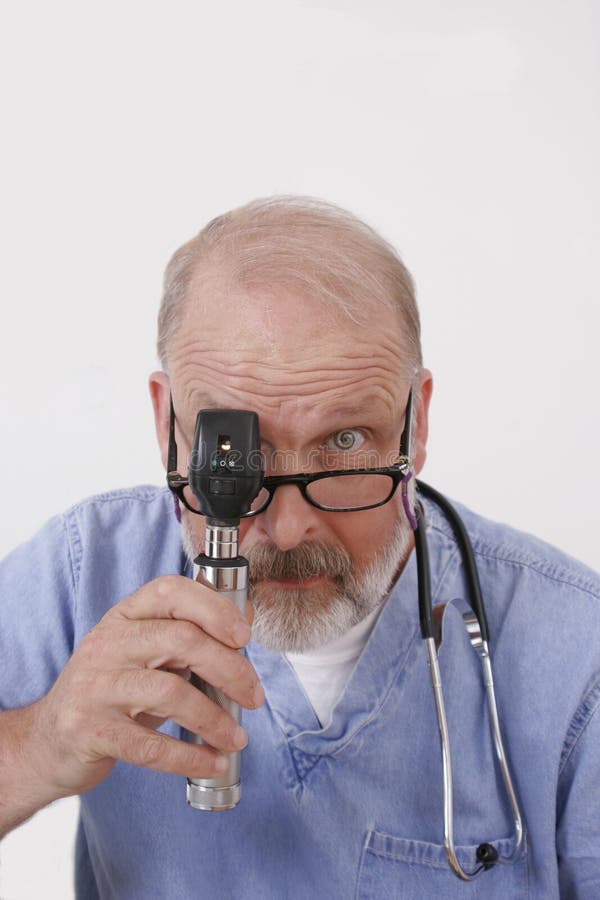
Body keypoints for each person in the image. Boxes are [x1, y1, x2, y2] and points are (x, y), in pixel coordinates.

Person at [0, 197, 598, 900]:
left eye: (344, 444)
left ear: (418, 419)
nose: (286, 531)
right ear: (168, 420)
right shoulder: (83, 572)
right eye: (235, 449)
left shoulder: (576, 652)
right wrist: (39, 744)